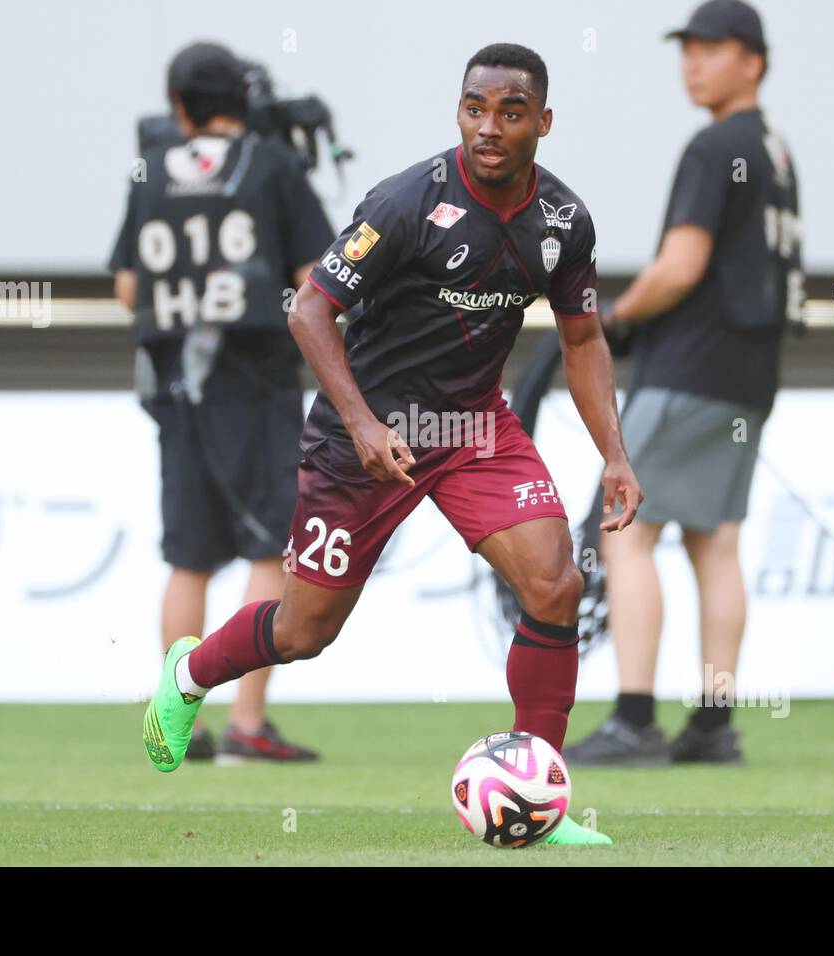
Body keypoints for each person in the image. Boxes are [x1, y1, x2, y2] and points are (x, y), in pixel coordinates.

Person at [141, 42, 643, 846]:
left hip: (475, 426)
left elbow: (583, 341)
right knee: (306, 632)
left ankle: (540, 802)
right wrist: (365, 423)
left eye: (511, 112)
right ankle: (191, 672)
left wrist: (614, 455)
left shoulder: (563, 222)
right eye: (475, 108)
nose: (489, 126)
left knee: (554, 585)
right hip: (364, 436)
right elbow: (310, 310)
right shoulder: (408, 201)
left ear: (542, 122)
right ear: (459, 112)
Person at [566, 0, 802, 766]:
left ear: (753, 60)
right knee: (716, 542)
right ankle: (713, 723)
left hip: (692, 366)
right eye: (688, 50)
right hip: (749, 373)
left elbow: (680, 265)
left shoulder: (715, 145)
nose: (692, 63)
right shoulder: (775, 149)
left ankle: (634, 719)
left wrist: (617, 318)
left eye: (711, 50)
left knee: (628, 534)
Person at [110, 42, 329, 762]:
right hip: (257, 378)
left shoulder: (149, 167)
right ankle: (248, 722)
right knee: (271, 546)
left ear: (178, 106)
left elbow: (128, 289)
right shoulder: (271, 164)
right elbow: (316, 279)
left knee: (190, 556)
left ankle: (184, 721)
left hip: (176, 384)